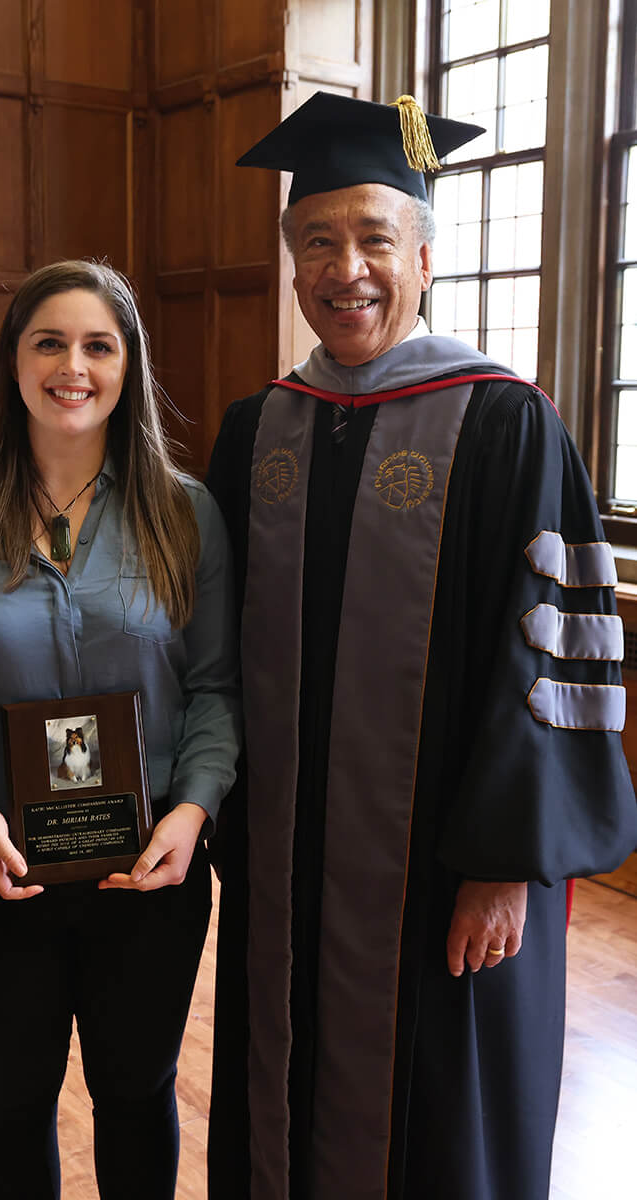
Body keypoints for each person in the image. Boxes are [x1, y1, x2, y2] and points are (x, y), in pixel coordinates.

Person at [206, 92, 637, 1200]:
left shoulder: (503, 423)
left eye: (371, 239)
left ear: (424, 257)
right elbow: (205, 643)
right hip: (288, 870)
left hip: (449, 871)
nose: (343, 268)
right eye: (316, 242)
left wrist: (506, 860)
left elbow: (553, 658)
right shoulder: (258, 433)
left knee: (442, 1121)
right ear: (291, 262)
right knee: (280, 1087)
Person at [0, 259, 240, 1200]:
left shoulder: (186, 513)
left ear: (129, 367)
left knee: (137, 1092)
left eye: (99, 345)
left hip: (151, 867)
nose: (72, 366)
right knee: (11, 1100)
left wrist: (194, 811)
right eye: (49, 342)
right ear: (12, 360)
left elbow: (214, 691)